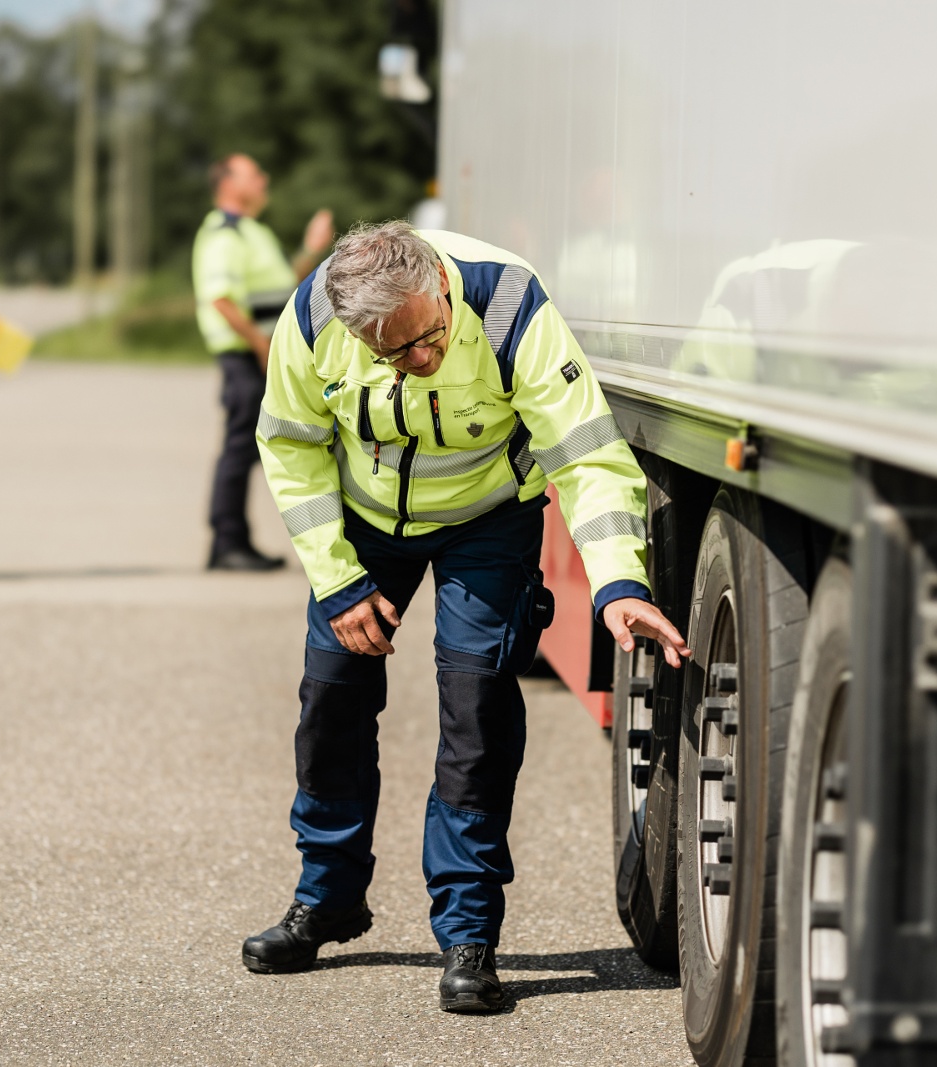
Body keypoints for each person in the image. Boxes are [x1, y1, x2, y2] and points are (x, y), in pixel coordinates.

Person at [243, 221, 691, 1011]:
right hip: (364, 521)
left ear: (441, 287)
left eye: (425, 341)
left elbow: (585, 450)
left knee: (476, 713)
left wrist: (620, 582)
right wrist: (340, 583)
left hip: (488, 520)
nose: (413, 363)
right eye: (387, 355)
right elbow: (290, 444)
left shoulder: (508, 302)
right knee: (332, 702)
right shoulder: (316, 314)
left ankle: (468, 935)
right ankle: (329, 896)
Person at [193, 153, 334, 571]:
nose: (264, 179)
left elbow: (280, 289)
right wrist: (261, 347)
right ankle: (227, 542)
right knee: (241, 449)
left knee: (247, 448)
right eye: (254, 174)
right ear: (228, 184)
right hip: (245, 356)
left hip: (257, 352)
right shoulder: (225, 235)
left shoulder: (252, 233)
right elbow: (220, 298)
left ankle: (232, 539)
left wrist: (310, 249)